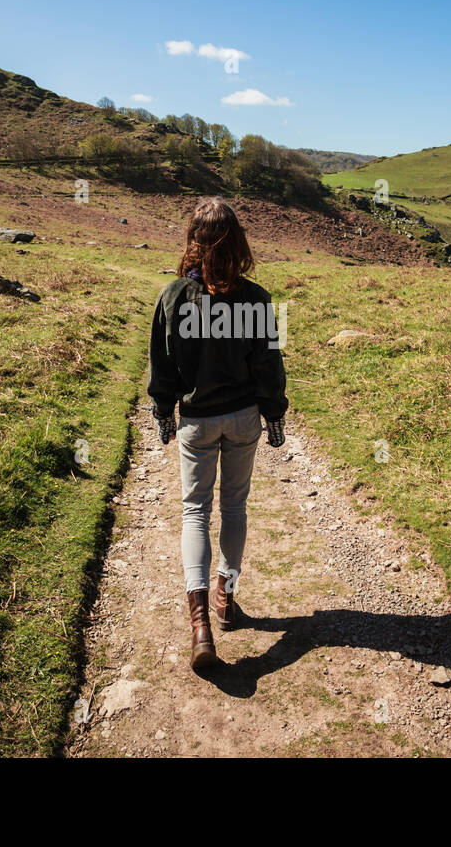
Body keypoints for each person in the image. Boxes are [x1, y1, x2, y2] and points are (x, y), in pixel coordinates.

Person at [147, 196, 289, 670]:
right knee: (233, 506)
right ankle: (226, 596)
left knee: (195, 510)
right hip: (244, 416)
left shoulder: (172, 297)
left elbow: (162, 363)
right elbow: (269, 363)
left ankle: (200, 624)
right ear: (238, 242)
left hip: (196, 421)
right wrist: (275, 415)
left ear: (194, 241)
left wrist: (163, 411)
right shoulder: (258, 299)